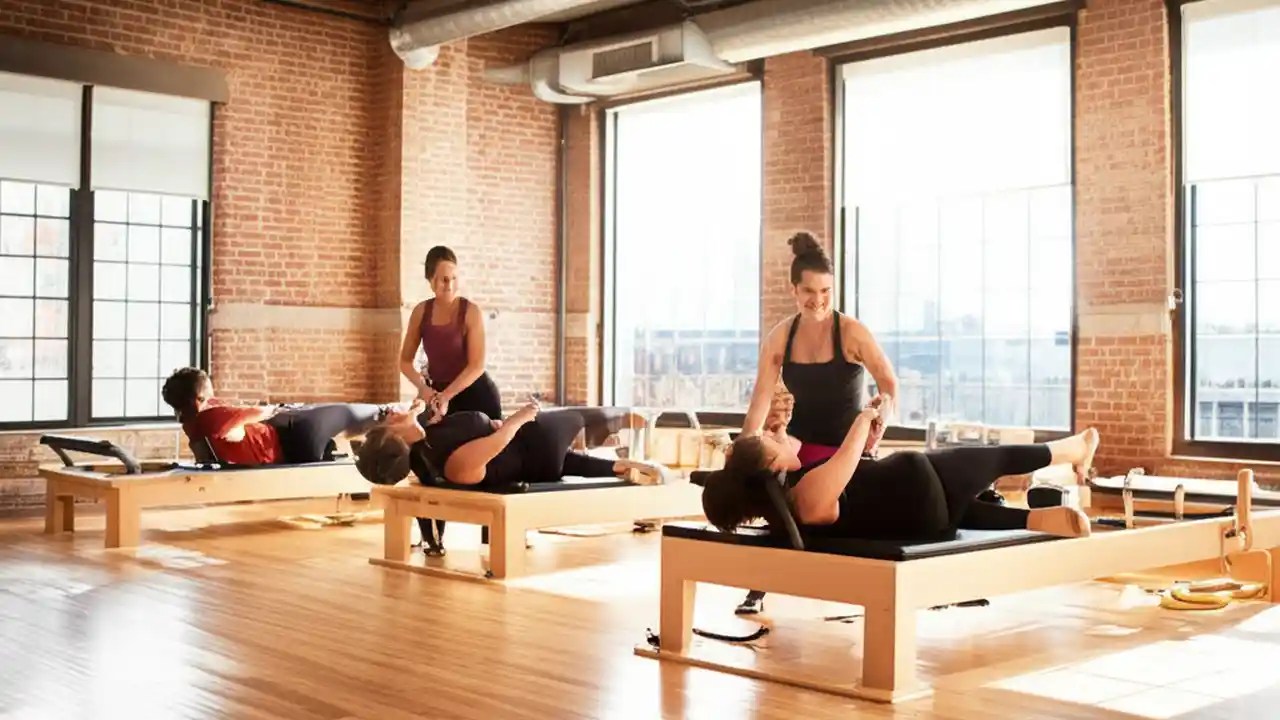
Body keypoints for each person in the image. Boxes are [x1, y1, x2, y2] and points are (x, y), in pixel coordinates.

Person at [734, 231, 900, 613]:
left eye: (826, 291)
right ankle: (758, 586)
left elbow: (888, 382)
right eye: (810, 291)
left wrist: (881, 420)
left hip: (846, 451)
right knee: (777, 498)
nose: (818, 300)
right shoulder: (782, 337)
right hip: (800, 448)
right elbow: (761, 398)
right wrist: (744, 452)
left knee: (828, 511)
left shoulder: (851, 332)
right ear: (794, 290)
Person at [700, 398, 1099, 545]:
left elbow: (855, 476)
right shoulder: (804, 499)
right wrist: (868, 413)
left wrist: (869, 435)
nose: (779, 438)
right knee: (997, 458)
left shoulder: (788, 508)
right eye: (772, 442)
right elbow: (846, 459)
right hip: (920, 485)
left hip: (927, 519)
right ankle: (1075, 449)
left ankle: (1040, 519)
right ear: (770, 464)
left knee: (965, 509)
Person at [353, 400, 676, 493]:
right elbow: (499, 440)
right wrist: (521, 418)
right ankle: (634, 420)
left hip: (535, 460)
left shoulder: (428, 446)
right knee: (582, 416)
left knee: (574, 462)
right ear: (397, 438)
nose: (390, 413)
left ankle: (622, 466)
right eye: (389, 421)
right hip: (535, 444)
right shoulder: (448, 462)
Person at [160, 366, 415, 466]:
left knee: (322, 415)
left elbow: (240, 428)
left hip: (286, 437)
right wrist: (274, 410)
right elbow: (258, 412)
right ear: (198, 399)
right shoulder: (211, 419)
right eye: (209, 392)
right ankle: (397, 411)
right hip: (291, 442)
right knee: (343, 412)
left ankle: (392, 412)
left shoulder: (193, 422)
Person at [399, 245, 502, 421]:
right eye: (444, 280)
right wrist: (423, 388)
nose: (450, 285)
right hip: (438, 397)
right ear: (430, 280)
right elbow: (405, 362)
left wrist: (447, 395)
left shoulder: (471, 312)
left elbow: (477, 366)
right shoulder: (421, 312)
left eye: (454, 278)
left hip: (476, 396)